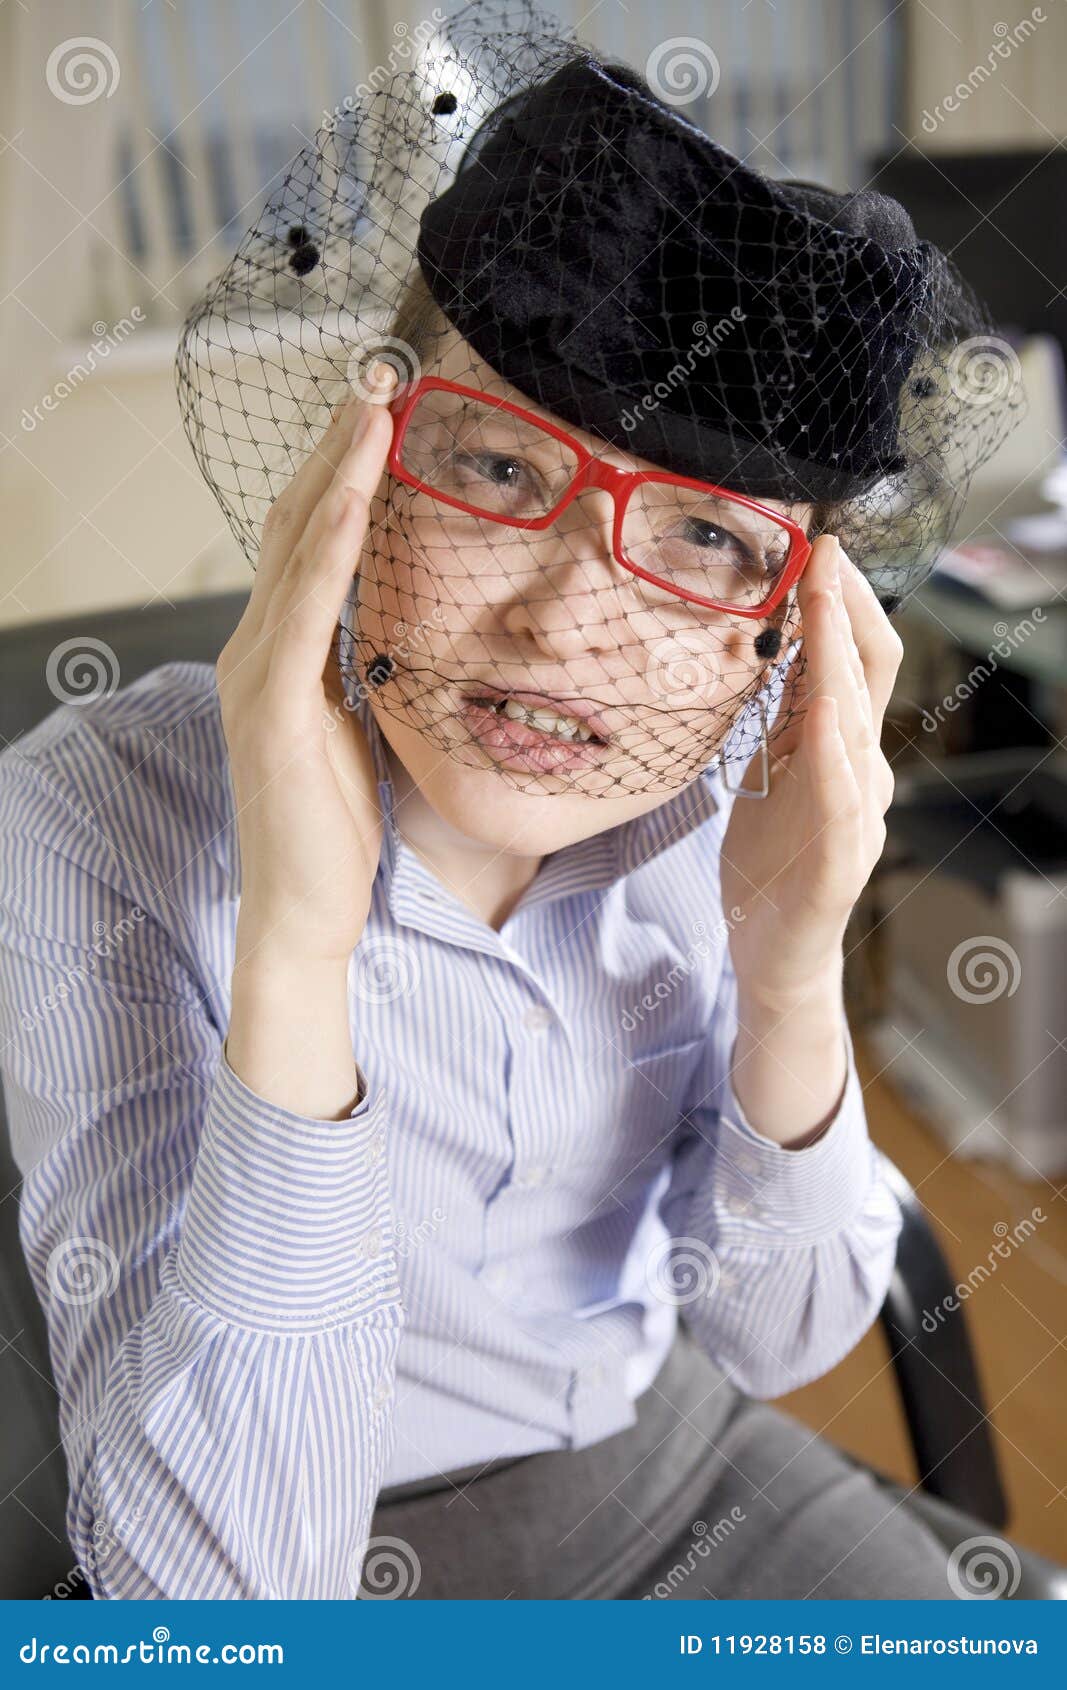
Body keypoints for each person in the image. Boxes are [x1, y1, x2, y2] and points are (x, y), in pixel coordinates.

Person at [0, 6, 1019, 1601]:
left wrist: (791, 958)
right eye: (491, 468)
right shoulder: (83, 819)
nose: (564, 619)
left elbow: (778, 1331)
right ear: (367, 462)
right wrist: (296, 945)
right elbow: (221, 1601)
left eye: (701, 540)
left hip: (673, 1457)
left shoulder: (717, 800)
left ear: (785, 611)